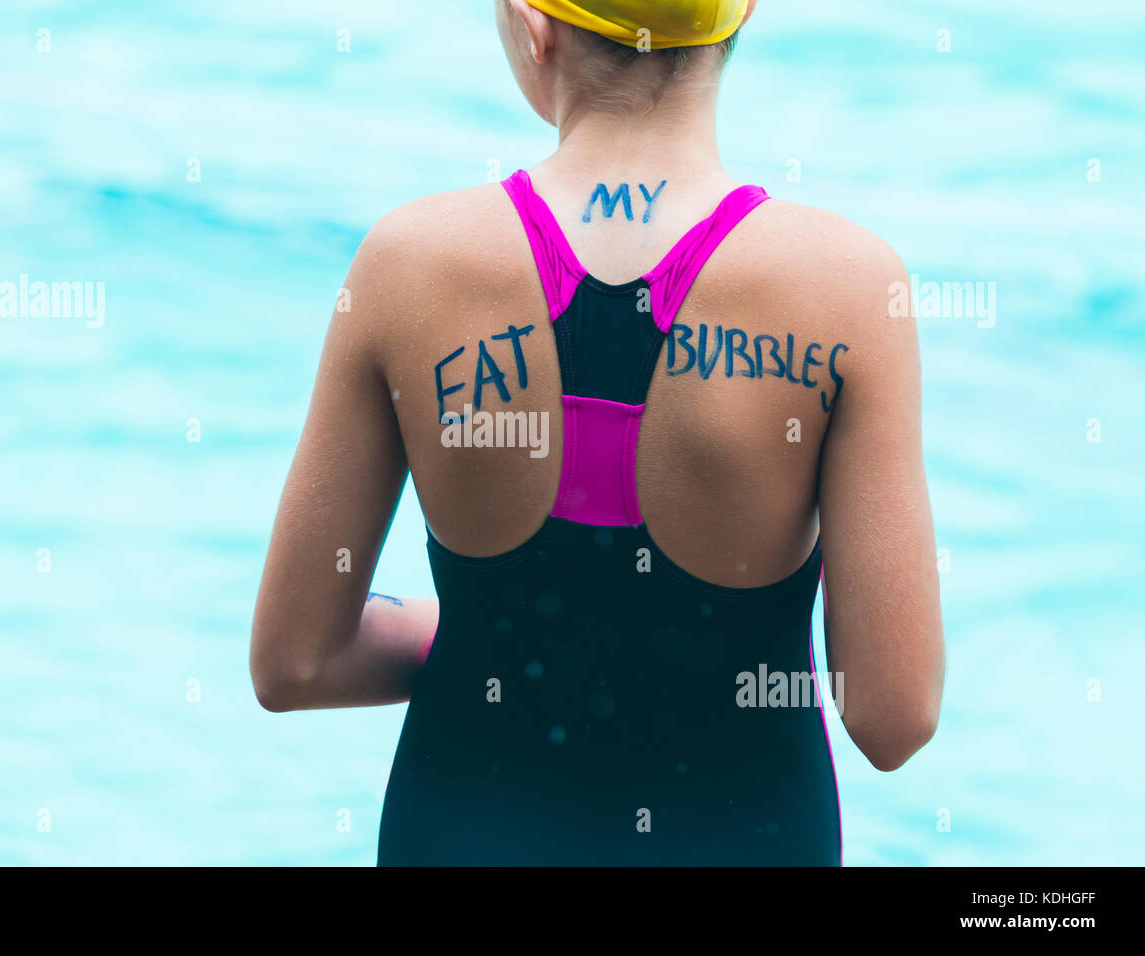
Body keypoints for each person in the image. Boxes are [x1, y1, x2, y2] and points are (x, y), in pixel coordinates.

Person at [250, 0, 945, 865]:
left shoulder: (407, 266)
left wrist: (485, 635)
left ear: (532, 24)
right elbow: (893, 715)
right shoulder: (846, 288)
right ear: (743, 14)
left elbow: (294, 663)